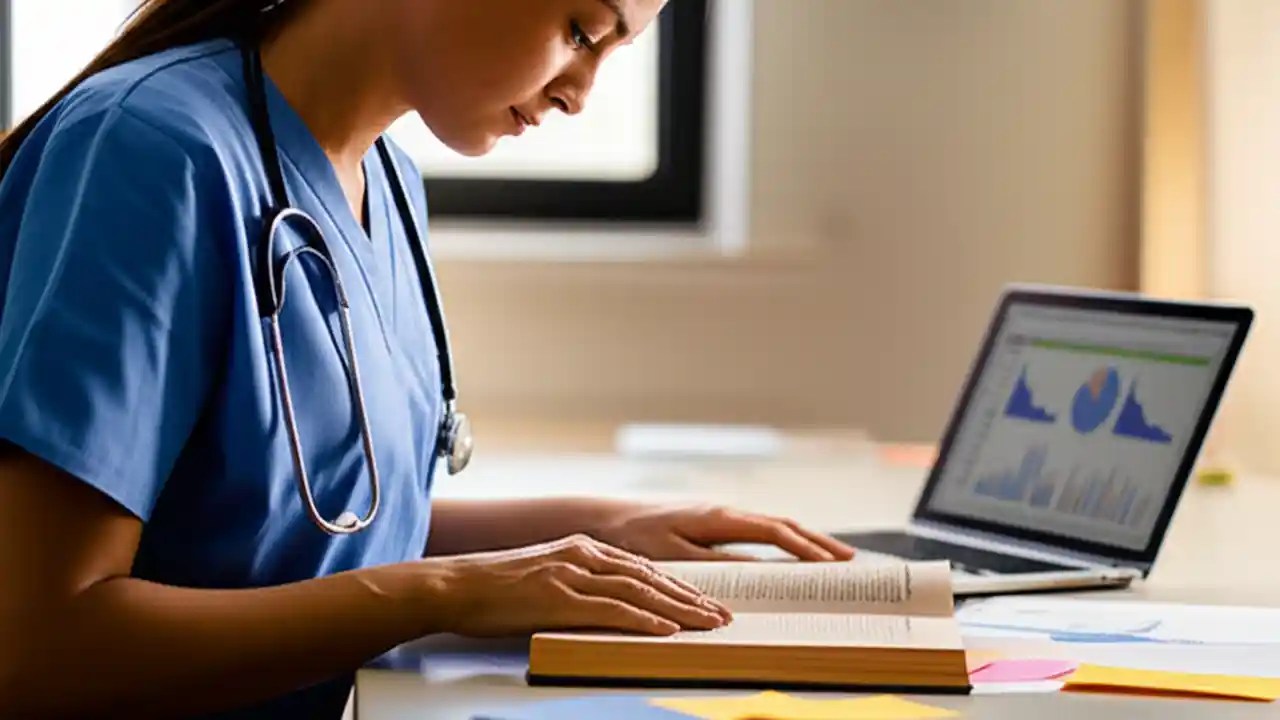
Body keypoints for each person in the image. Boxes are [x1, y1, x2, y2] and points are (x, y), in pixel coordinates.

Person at [0, 1, 856, 717]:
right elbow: (37, 643)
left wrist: (591, 530)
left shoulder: (387, 181)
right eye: (581, 30)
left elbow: (303, 531)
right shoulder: (150, 152)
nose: (581, 94)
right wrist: (444, 594)